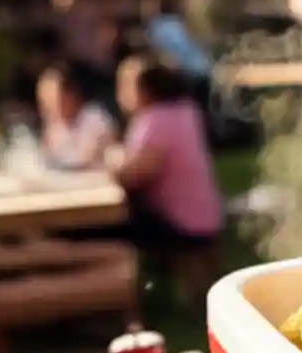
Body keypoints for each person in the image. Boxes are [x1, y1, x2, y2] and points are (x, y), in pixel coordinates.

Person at [111, 56, 222, 246]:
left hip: (180, 224)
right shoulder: (186, 111)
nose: (120, 94)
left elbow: (133, 176)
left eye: (125, 86)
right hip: (206, 218)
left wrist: (111, 158)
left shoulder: (156, 120)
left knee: (97, 230)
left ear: (144, 90)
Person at [38, 62, 117, 170]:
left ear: (71, 95)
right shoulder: (55, 126)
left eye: (53, 98)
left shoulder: (96, 118)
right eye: (44, 99)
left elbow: (85, 160)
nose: (48, 105)